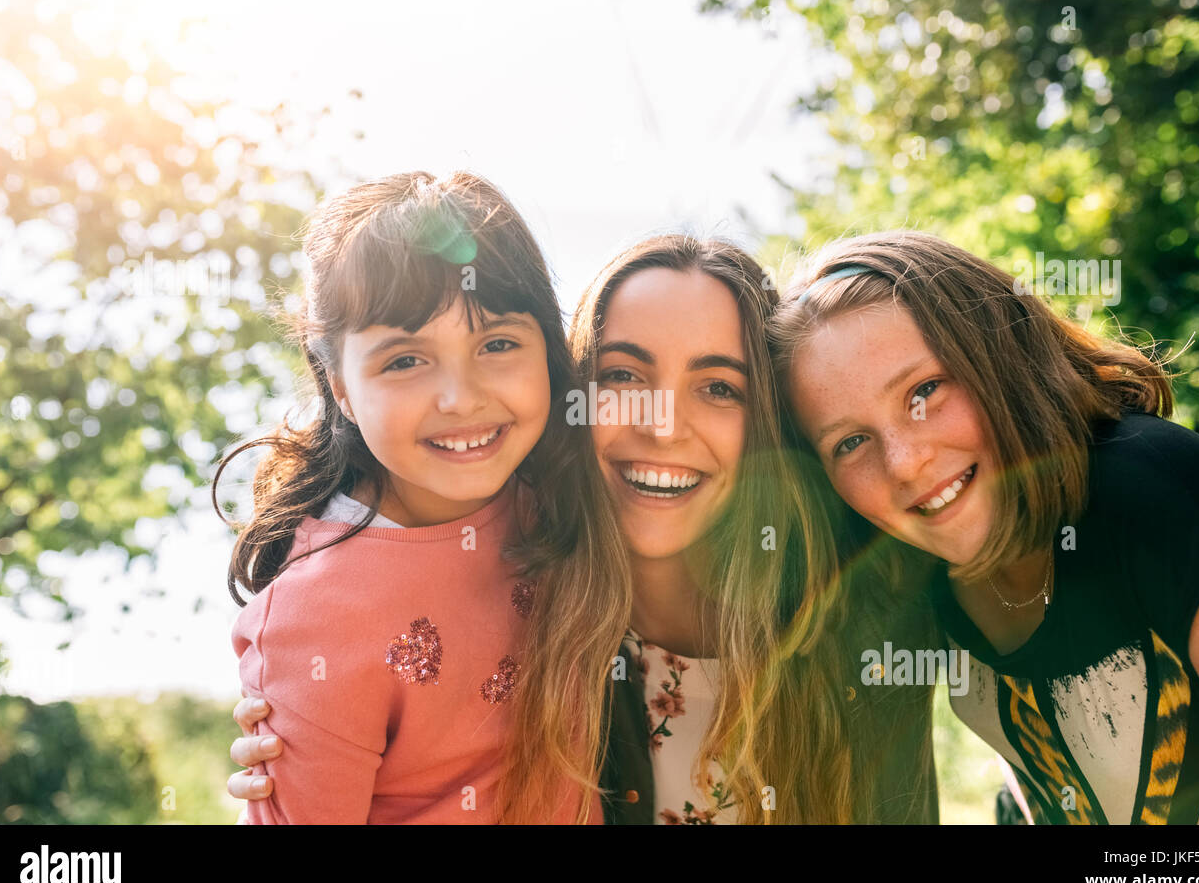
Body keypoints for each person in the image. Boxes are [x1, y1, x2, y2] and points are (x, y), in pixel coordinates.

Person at [229, 234, 940, 824]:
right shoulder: (524, 599)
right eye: (624, 375)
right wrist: (302, 733)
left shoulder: (860, 611)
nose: (662, 426)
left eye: (718, 386)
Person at [772, 230, 1199, 824]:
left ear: (998, 357)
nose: (904, 464)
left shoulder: (1162, 492)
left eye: (925, 391)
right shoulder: (916, 567)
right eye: (849, 442)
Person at [214, 171, 632, 824]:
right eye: (405, 360)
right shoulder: (316, 615)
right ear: (340, 385)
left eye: (497, 343)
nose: (461, 397)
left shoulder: (559, 494)